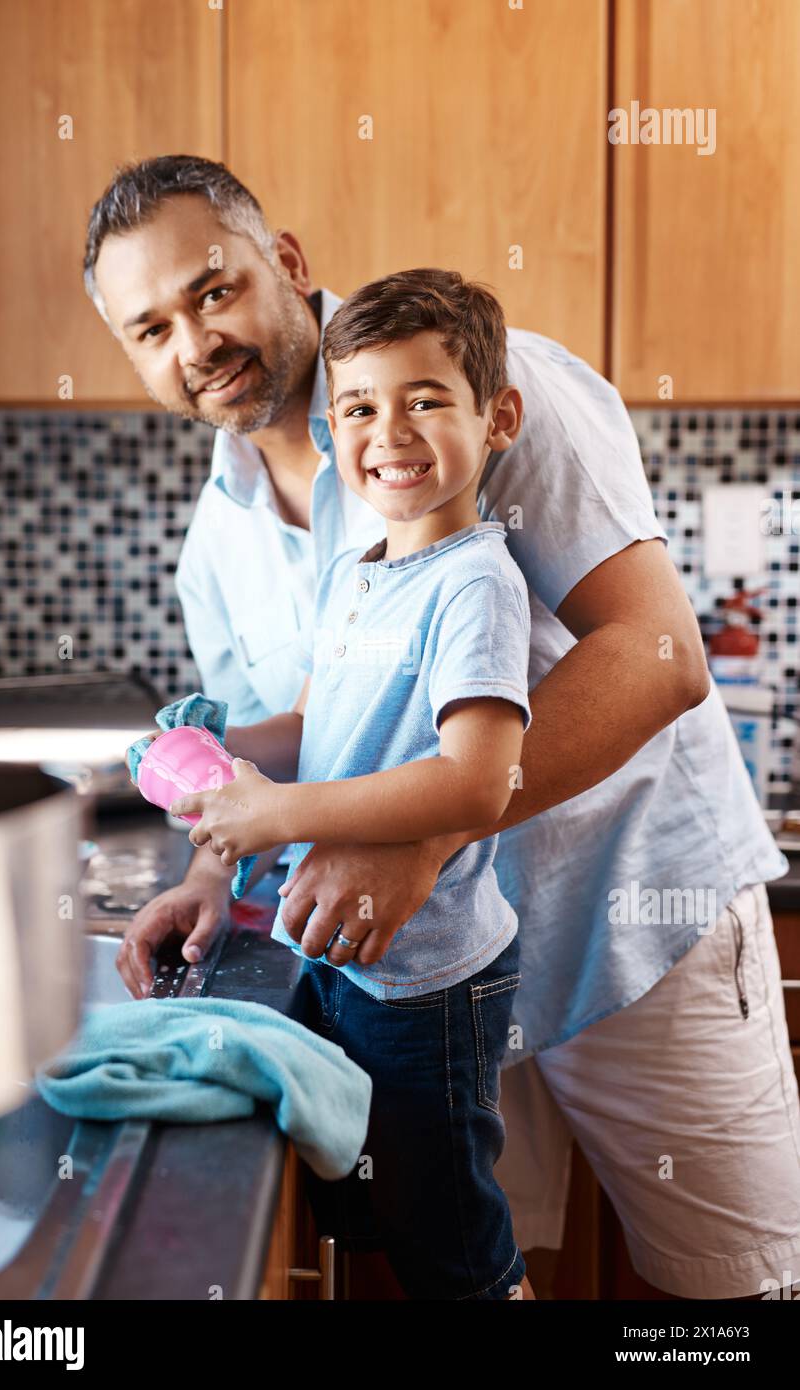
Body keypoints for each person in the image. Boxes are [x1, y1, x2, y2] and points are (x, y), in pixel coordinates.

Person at [85, 156, 799, 1300]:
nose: (194, 342)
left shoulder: (476, 392)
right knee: (484, 1276)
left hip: (630, 919)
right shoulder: (212, 550)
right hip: (431, 990)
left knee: (737, 1290)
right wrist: (216, 871)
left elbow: (656, 658)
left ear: (287, 262)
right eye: (150, 327)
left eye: (212, 292)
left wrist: (420, 838)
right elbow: (313, 741)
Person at [167, 269, 534, 1300]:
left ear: (495, 416)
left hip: (425, 985)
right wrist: (226, 740)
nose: (392, 432)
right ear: (331, 434)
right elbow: (315, 728)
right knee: (367, 1222)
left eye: (425, 399)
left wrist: (274, 813)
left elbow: (477, 783)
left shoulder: (476, 581)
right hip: (334, 955)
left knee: (450, 1243)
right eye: (362, 408)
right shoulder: (357, 570)